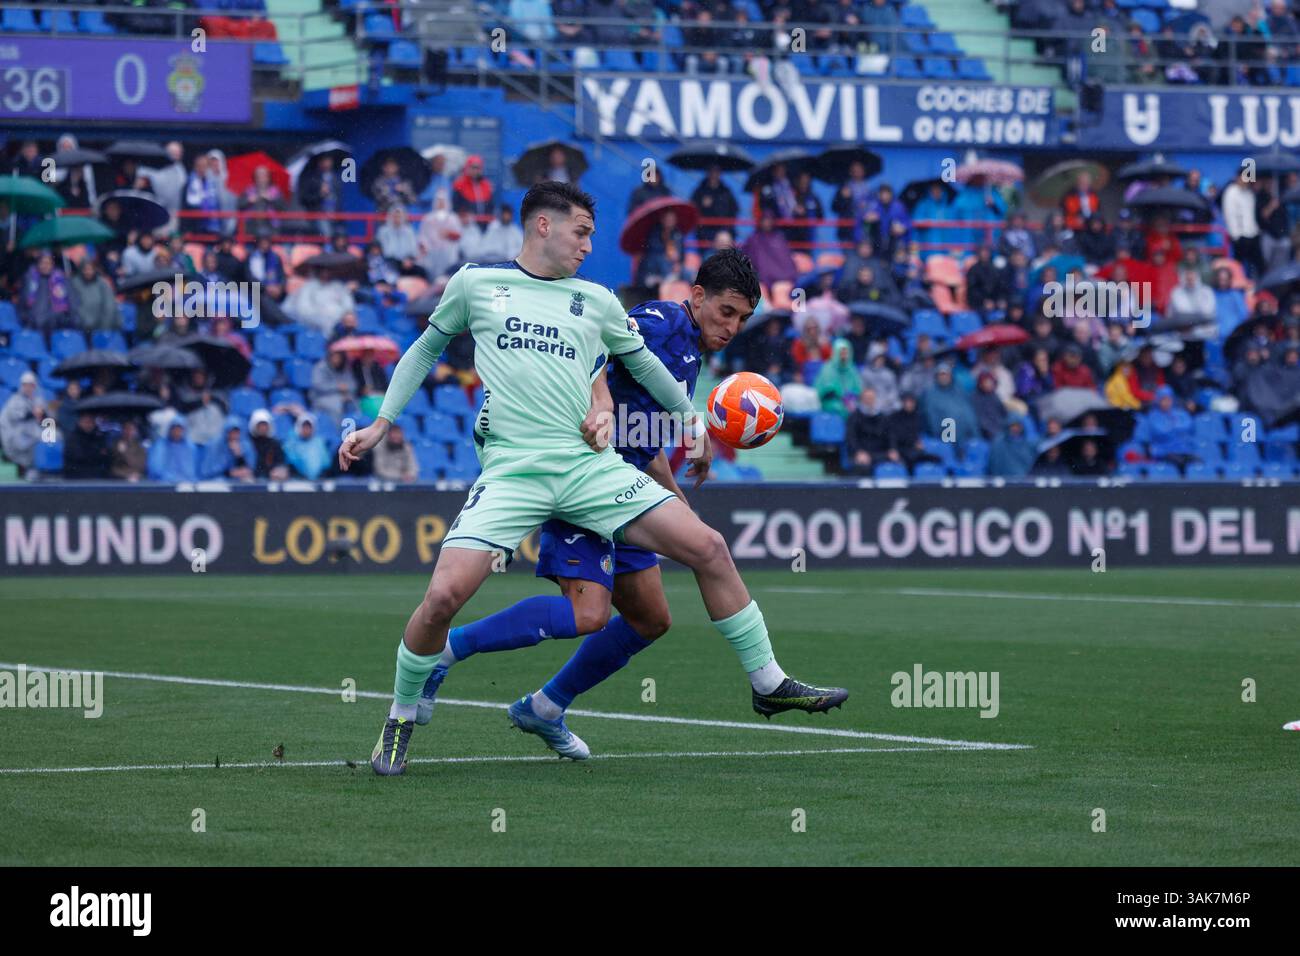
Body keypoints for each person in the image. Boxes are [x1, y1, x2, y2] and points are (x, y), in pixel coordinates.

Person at [337, 184, 848, 774]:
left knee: (701, 555)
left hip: (593, 472)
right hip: (518, 468)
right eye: (581, 231)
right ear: (543, 226)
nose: (588, 245)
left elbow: (637, 369)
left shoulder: (598, 300)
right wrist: (381, 424)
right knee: (447, 598)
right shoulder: (478, 284)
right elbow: (426, 350)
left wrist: (687, 424)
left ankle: (765, 682)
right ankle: (404, 711)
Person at [1, 372, 46, 476]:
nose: (28, 388)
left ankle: (43, 469)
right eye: (25, 385)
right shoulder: (15, 399)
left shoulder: (38, 399)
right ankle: (25, 468)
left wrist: (42, 414)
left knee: (53, 436)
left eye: (31, 385)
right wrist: (33, 413)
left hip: (33, 432)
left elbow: (45, 418)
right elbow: (16, 417)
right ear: (22, 386)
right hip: (16, 433)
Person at [20, 252, 72, 332]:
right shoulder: (30, 280)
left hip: (56, 325)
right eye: (43, 263)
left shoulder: (60, 280)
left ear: (52, 265)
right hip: (33, 325)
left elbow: (69, 303)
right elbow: (23, 304)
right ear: (38, 264)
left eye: (48, 263)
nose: (45, 266)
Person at [845, 386, 890, 474]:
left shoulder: (883, 417)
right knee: (862, 467)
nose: (870, 400)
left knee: (899, 462)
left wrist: (892, 449)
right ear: (862, 400)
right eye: (867, 398)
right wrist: (858, 452)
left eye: (872, 398)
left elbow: (890, 435)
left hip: (880, 453)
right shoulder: (854, 417)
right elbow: (851, 437)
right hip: (861, 453)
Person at [690, 164, 739, 243]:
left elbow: (734, 209)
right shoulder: (700, 191)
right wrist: (702, 206)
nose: (714, 174)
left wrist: (726, 228)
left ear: (720, 174)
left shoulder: (726, 191)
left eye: (716, 172)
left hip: (724, 229)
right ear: (707, 173)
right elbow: (692, 210)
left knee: (725, 240)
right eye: (711, 172)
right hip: (705, 231)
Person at [69, 258, 120, 333]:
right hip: (84, 328)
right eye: (85, 269)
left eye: (90, 269)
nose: (88, 272)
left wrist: (104, 327)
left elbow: (109, 305)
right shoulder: (74, 284)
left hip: (105, 325)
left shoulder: (102, 283)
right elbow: (74, 305)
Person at [147, 418, 199, 482]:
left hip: (187, 484)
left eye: (179, 429)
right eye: (174, 429)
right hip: (165, 484)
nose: (177, 432)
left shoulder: (190, 447)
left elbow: (194, 471)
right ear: (170, 430)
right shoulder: (160, 446)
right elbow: (156, 469)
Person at [63, 411, 111, 480]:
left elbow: (105, 455)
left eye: (92, 422)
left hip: (97, 475)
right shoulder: (73, 438)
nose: (89, 425)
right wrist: (97, 453)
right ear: (80, 423)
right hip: (77, 476)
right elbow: (79, 456)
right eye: (86, 422)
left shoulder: (98, 436)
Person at [284, 413, 331, 479]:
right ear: (298, 428)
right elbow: (290, 463)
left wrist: (321, 476)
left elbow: (326, 462)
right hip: (298, 481)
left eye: (309, 427)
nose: (306, 429)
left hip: (319, 481)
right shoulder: (291, 444)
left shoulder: (319, 442)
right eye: (304, 427)